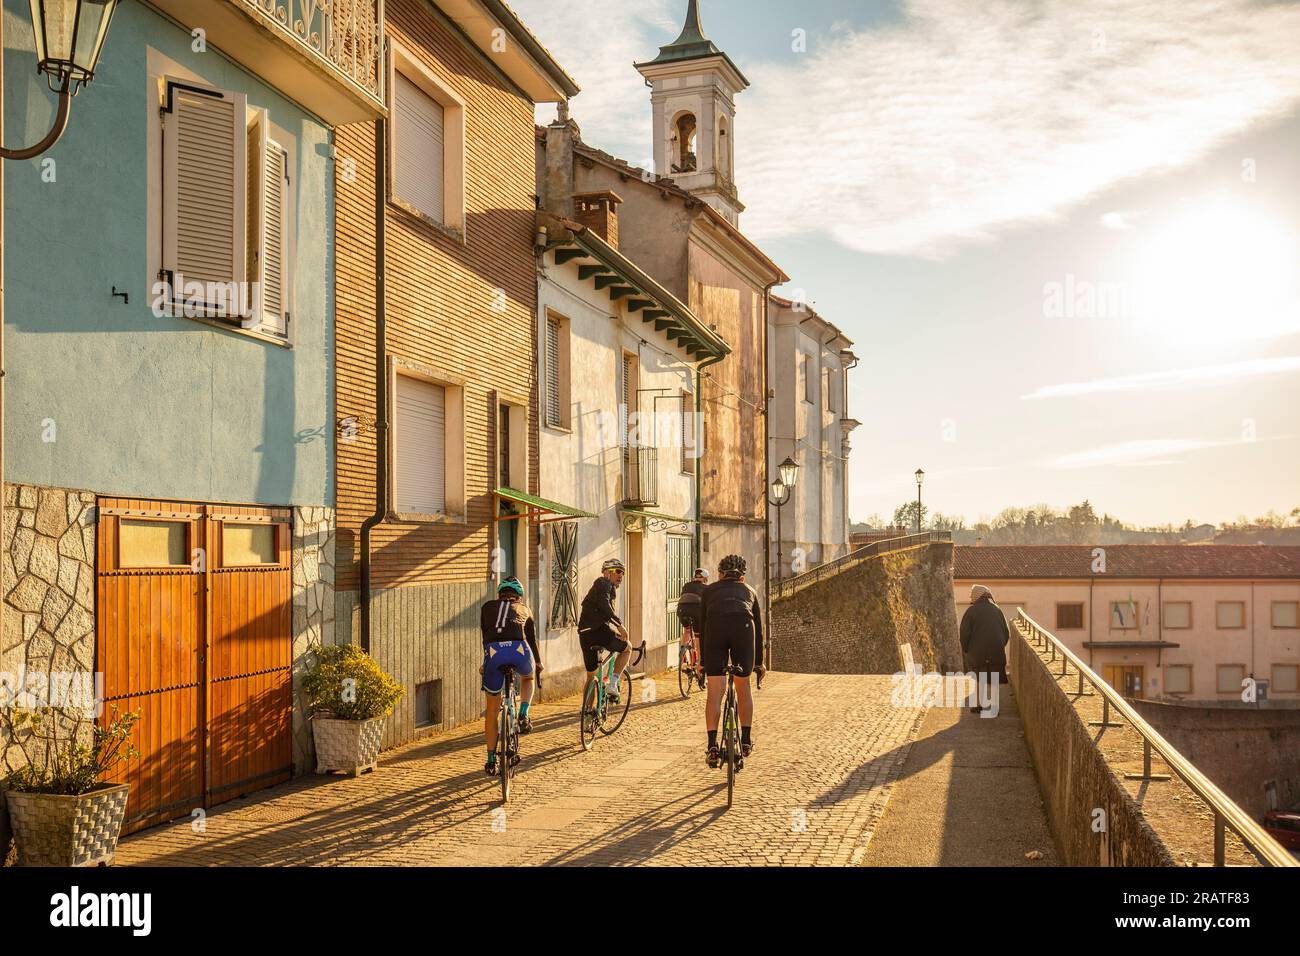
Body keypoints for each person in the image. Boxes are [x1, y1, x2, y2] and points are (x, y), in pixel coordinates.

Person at [699, 554, 765, 768]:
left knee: (714, 693)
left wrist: (702, 663)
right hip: (743, 629)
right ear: (742, 577)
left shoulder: (709, 591)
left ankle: (711, 746)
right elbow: (759, 633)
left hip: (715, 631)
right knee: (743, 685)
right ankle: (745, 741)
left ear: (720, 574)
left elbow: (702, 628)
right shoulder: (750, 592)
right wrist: (758, 663)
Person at [479, 578, 541, 776]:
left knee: (491, 711)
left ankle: (490, 760)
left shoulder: (487, 607)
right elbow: (531, 639)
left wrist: (485, 662)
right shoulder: (524, 609)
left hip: (493, 653)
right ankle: (523, 713)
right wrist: (538, 663)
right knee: (528, 678)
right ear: (518, 596)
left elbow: (487, 636)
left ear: (499, 595)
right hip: (519, 650)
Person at [578, 558, 632, 705]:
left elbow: (601, 608)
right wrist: (620, 626)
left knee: (591, 676)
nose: (621, 575)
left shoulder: (602, 586)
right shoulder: (603, 583)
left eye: (623, 572)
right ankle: (613, 684)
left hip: (584, 634)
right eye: (618, 571)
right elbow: (604, 606)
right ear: (607, 573)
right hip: (599, 632)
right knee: (627, 648)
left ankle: (588, 713)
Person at [959, 584, 1009, 714]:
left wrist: (966, 649)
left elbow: (964, 633)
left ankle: (978, 705)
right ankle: (994, 707)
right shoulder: (997, 610)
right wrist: (999, 645)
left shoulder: (971, 611)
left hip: (977, 652)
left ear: (975, 596)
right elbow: (1006, 632)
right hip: (996, 650)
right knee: (994, 680)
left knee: (978, 678)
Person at [676, 568, 709, 682]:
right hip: (696, 610)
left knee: (687, 630)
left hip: (682, 609)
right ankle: (700, 664)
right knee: (699, 636)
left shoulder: (686, 585)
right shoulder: (706, 588)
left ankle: (683, 652)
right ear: (705, 578)